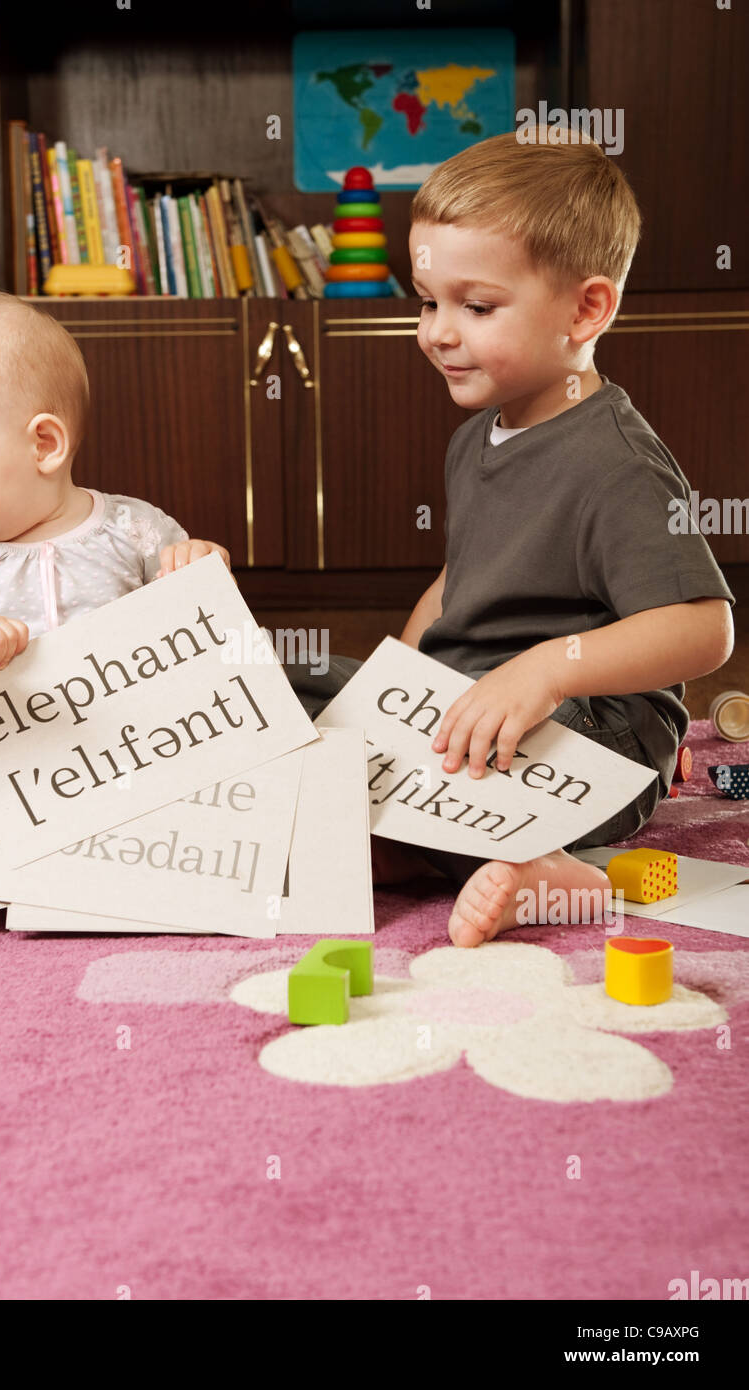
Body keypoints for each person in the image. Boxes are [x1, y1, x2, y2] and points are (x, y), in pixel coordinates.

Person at [285, 127, 735, 948]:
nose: (437, 332)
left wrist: (543, 671)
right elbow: (462, 580)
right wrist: (393, 682)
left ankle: (558, 877)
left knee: (477, 759)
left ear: (587, 308)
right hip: (472, 701)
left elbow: (704, 629)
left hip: (594, 728)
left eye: (476, 307)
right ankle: (413, 834)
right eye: (427, 302)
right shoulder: (480, 434)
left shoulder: (616, 463)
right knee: (288, 680)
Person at [0, 291, 230, 668]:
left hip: (126, 726)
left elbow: (200, 611)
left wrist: (202, 565)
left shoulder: (132, 529)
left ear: (44, 445)